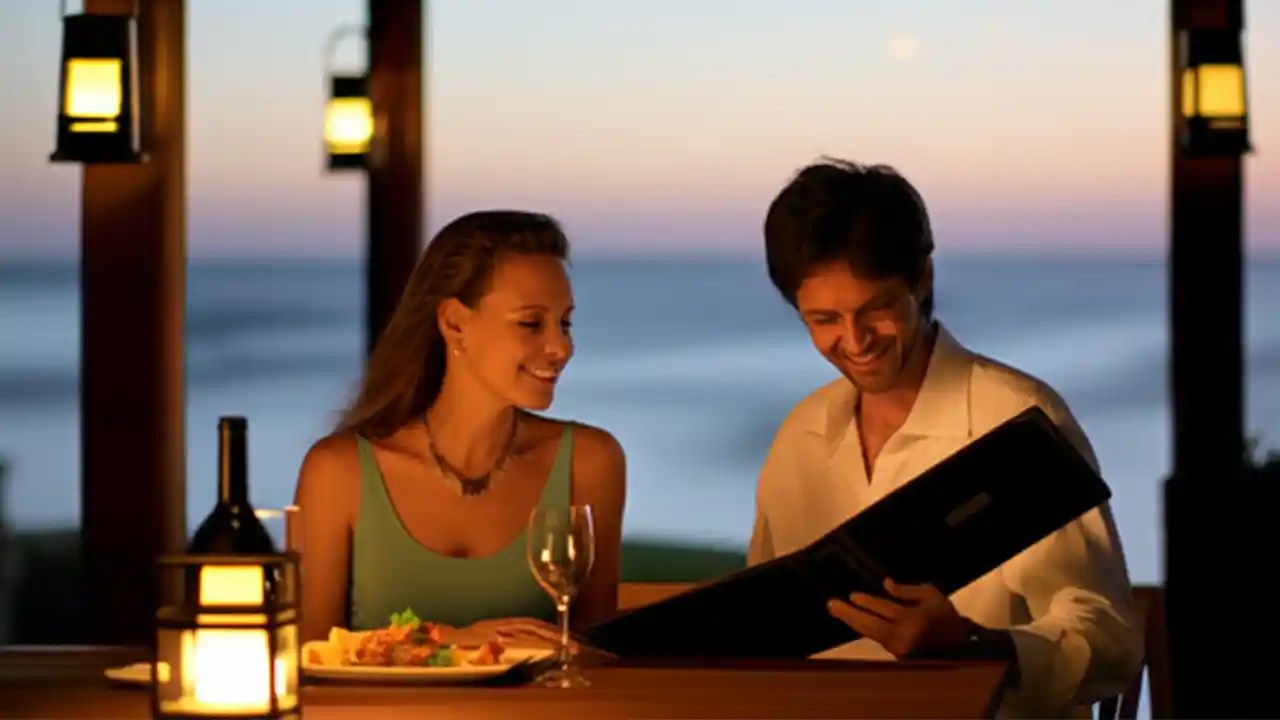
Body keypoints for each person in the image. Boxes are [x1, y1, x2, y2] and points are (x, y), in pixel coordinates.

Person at [746, 159, 1143, 718]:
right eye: (824, 320)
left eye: (876, 310)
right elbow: (763, 622)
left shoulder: (1013, 420)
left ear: (923, 278)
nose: (854, 341)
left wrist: (968, 644)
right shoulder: (801, 437)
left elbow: (1111, 643)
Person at [294, 210, 627, 645]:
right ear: (454, 323)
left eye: (564, 322)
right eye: (531, 323)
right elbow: (306, 658)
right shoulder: (338, 472)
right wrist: (450, 641)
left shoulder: (590, 462)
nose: (561, 347)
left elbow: (594, 657)